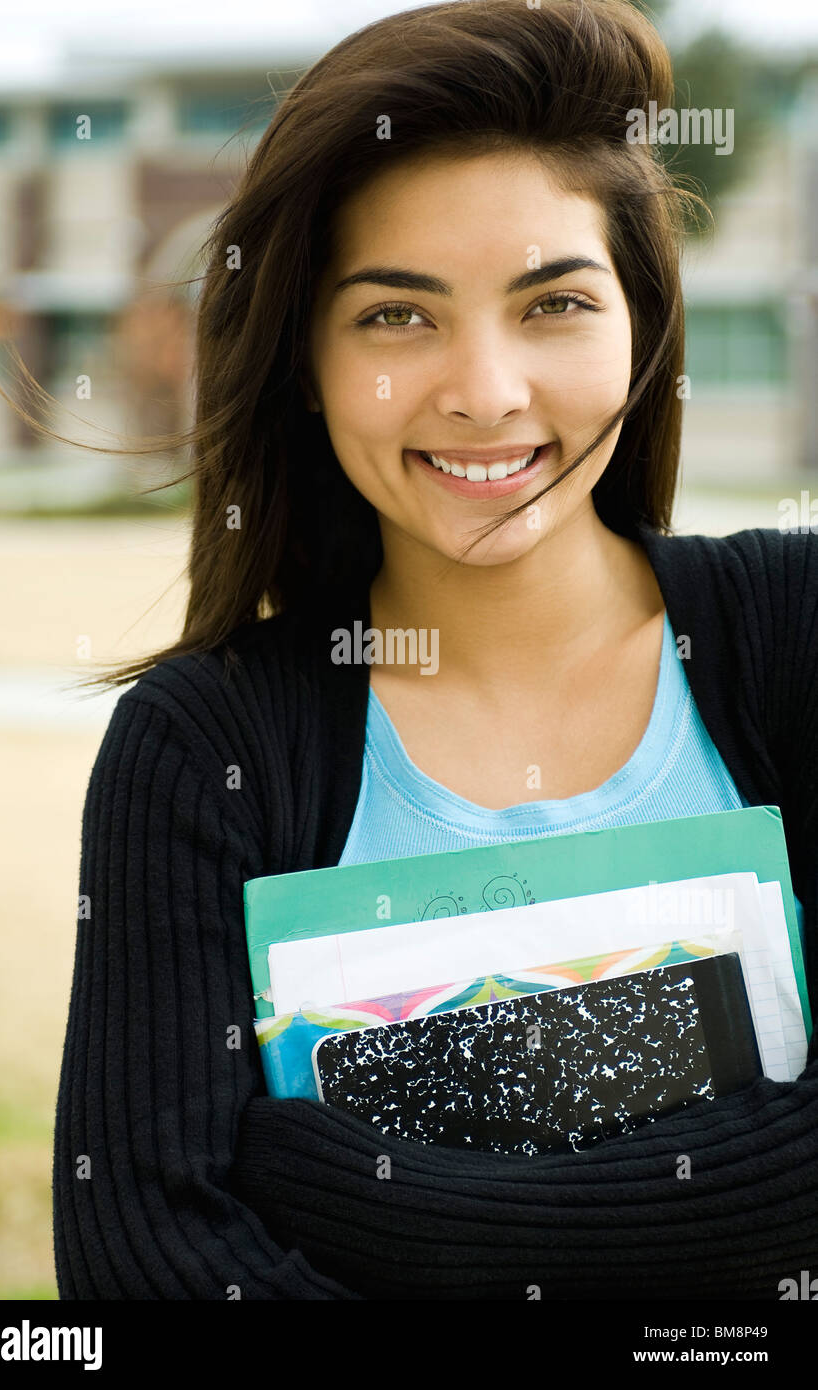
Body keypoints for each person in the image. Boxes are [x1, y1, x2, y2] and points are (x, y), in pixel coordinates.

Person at [51, 0, 818, 1298]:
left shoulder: (795, 632)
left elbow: (236, 1215)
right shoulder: (207, 746)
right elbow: (146, 1254)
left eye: (554, 303)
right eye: (398, 317)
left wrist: (359, 1189)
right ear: (305, 357)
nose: (487, 390)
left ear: (642, 325)